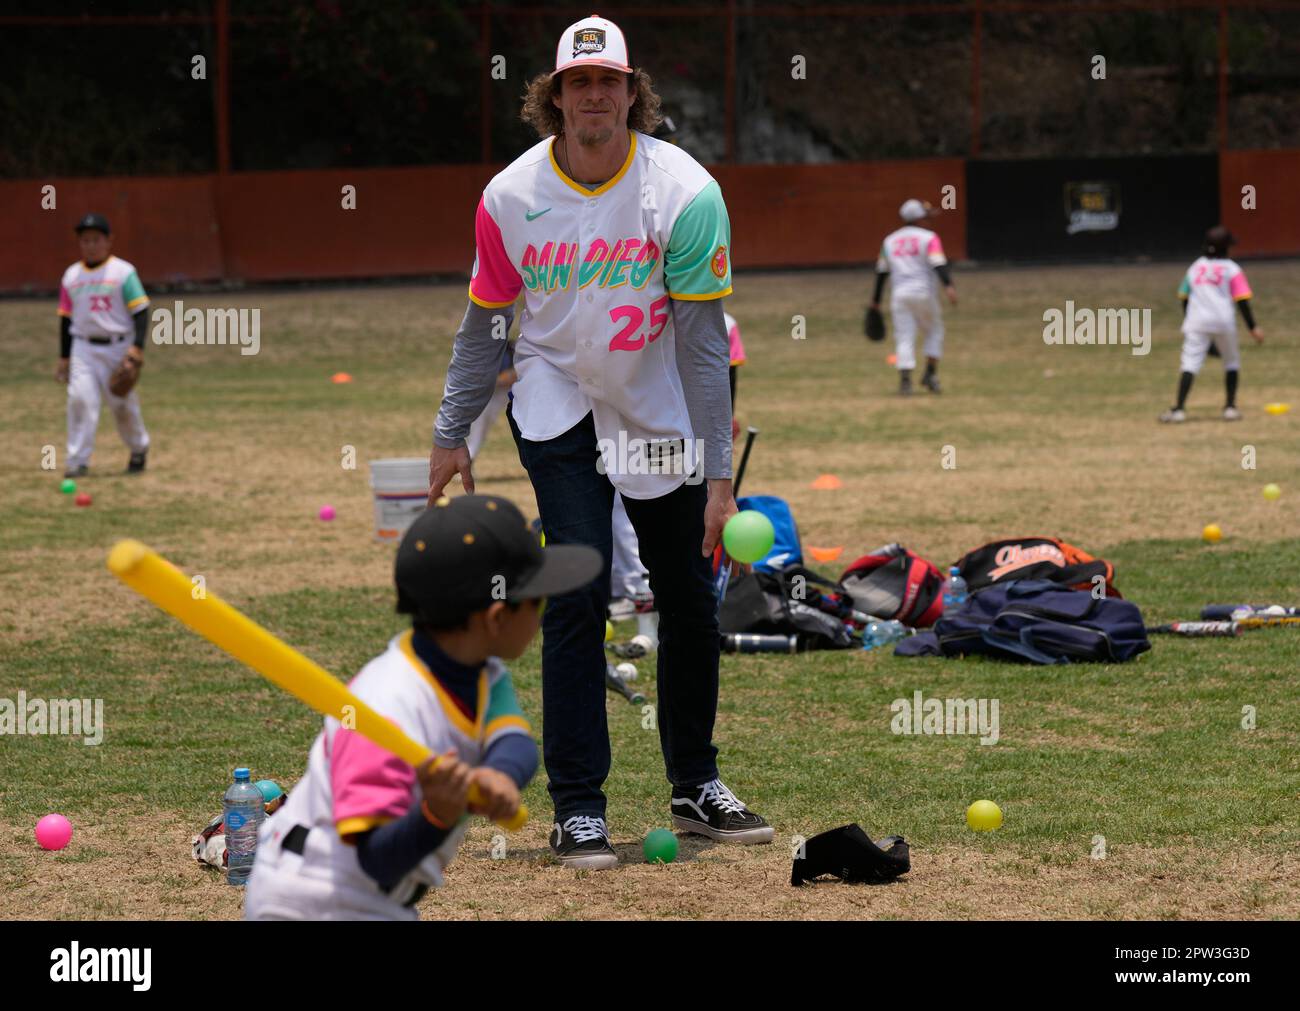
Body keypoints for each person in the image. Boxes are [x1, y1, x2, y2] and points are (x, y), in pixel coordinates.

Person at [428, 14, 774, 869]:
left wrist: (718, 477)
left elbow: (702, 344)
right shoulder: (509, 197)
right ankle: (579, 807)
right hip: (557, 403)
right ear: (554, 97)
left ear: (632, 92)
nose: (594, 96)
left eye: (608, 82)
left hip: (657, 409)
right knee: (578, 583)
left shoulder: (685, 193)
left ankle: (696, 782)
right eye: (577, 83)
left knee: (689, 596)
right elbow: (486, 328)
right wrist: (449, 433)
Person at [244, 495, 601, 919]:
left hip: (378, 896)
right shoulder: (387, 706)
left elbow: (515, 740)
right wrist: (437, 814)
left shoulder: (480, 671)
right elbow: (376, 860)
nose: (543, 613)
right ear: (496, 618)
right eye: (536, 600)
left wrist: (498, 776)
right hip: (313, 898)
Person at [57, 213, 152, 476]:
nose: (90, 245)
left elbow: (141, 310)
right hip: (83, 347)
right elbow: (65, 319)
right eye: (85, 240)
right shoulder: (72, 276)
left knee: (122, 406)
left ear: (109, 241)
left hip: (118, 347)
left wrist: (137, 347)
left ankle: (139, 448)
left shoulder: (123, 272)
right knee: (79, 400)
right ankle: (77, 461)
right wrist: (64, 357)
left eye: (96, 239)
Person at [1159, 226, 1264, 423]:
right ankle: (1230, 408)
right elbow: (1242, 300)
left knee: (1189, 363)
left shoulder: (1195, 267)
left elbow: (1183, 296)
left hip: (1197, 321)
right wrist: (1253, 328)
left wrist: (1188, 317)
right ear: (1226, 248)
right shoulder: (1232, 269)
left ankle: (1179, 409)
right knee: (1231, 361)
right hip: (1224, 321)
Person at [870, 199, 957, 396]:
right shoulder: (929, 237)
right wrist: (949, 286)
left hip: (900, 295)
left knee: (904, 337)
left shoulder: (889, 241)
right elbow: (938, 263)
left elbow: (881, 272)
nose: (928, 220)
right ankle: (930, 374)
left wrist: (875, 300)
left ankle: (905, 381)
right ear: (919, 218)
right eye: (926, 217)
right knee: (934, 331)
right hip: (924, 292)